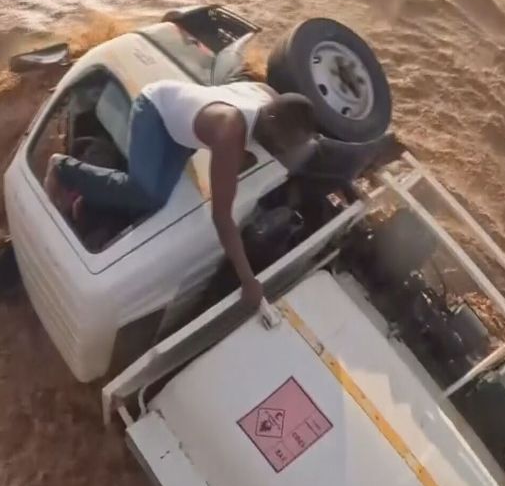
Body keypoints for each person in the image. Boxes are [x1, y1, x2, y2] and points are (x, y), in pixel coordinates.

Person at [44, 78, 317, 311]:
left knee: (158, 194)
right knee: (149, 194)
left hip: (183, 127)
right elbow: (222, 217)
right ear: (270, 119)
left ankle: (91, 195)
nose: (282, 149)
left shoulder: (266, 101)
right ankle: (64, 169)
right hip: (155, 111)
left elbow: (263, 88)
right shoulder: (229, 131)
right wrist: (248, 280)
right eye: (283, 142)